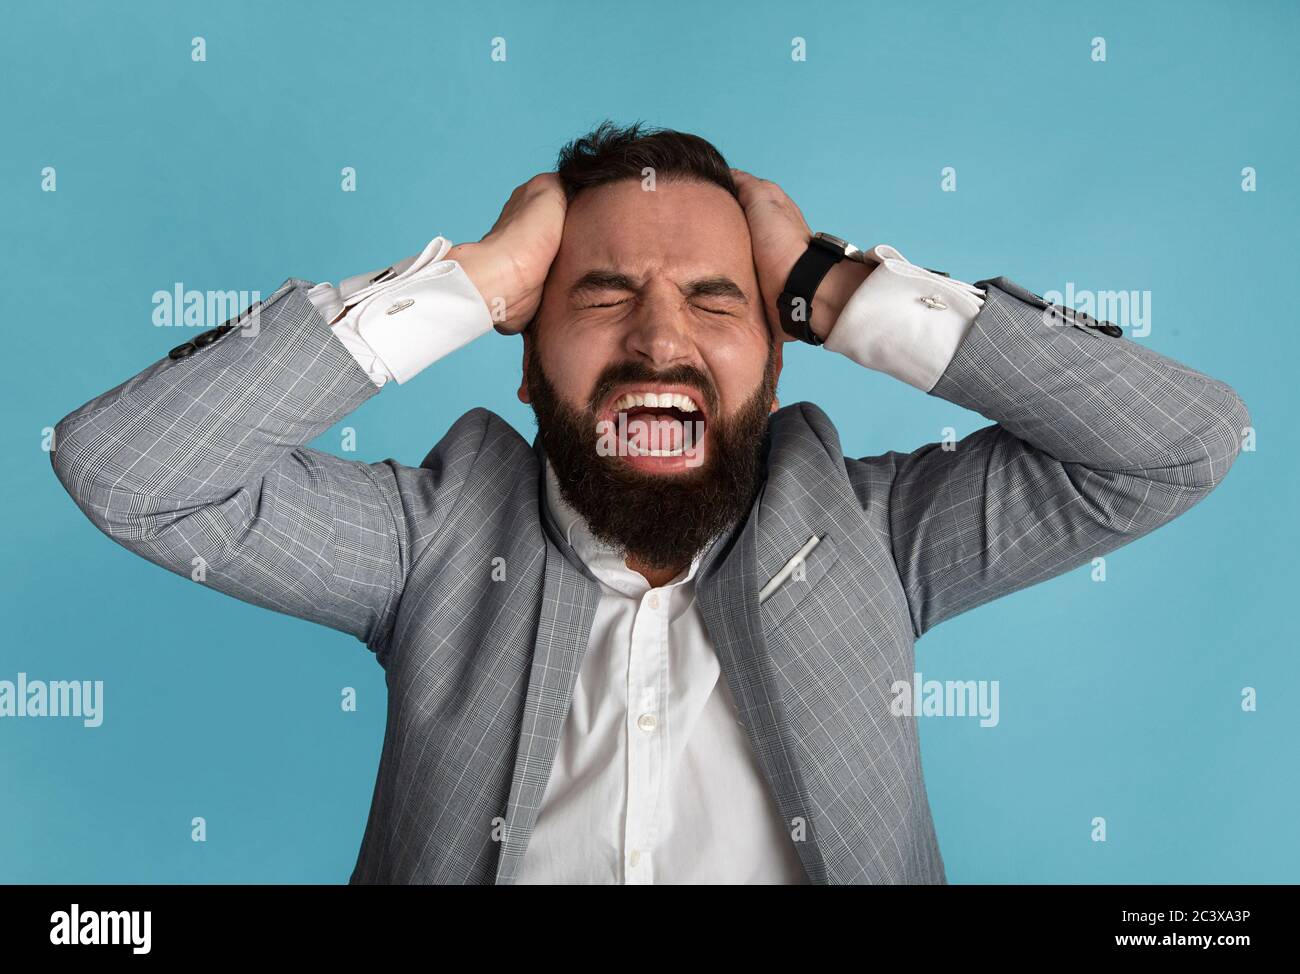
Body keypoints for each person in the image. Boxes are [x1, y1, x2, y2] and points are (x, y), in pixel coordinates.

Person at [50, 121, 1250, 884]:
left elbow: (1181, 444)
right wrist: (470, 278)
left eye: (719, 302)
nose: (661, 335)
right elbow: (128, 472)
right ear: (524, 358)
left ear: (779, 361)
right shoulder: (430, 543)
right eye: (602, 292)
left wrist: (834, 285)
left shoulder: (878, 537)